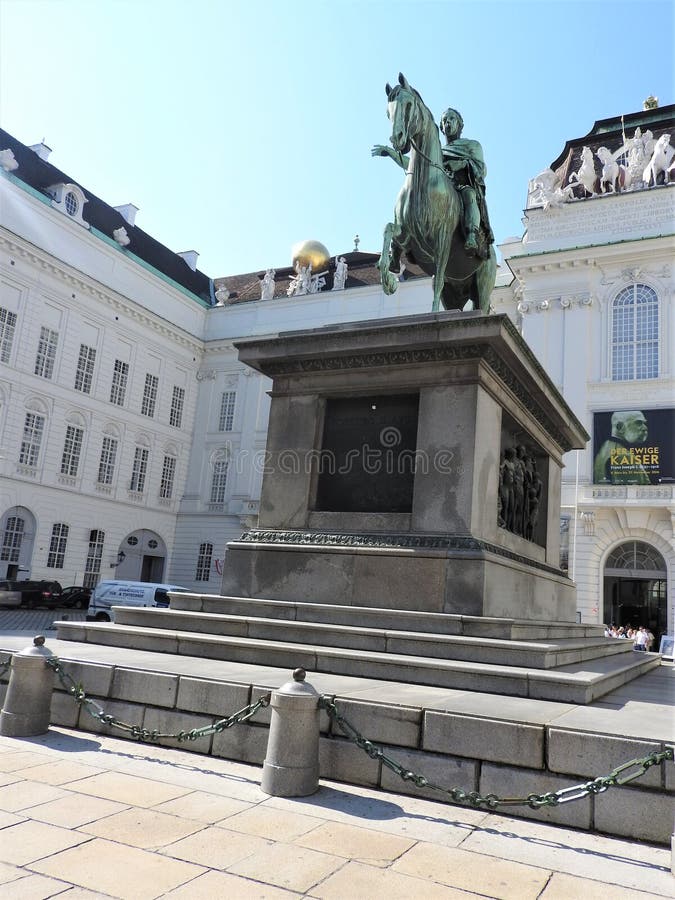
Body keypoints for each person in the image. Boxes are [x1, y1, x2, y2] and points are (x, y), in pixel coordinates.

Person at [439, 108, 494, 256]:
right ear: (441, 128)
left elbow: (482, 170)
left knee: (469, 194)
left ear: (460, 125)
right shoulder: (438, 151)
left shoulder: (472, 145)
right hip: (443, 187)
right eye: (445, 121)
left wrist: (463, 164)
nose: (448, 123)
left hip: (463, 185)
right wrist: (394, 156)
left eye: (452, 119)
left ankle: (472, 234)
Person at [593, 410, 652, 485]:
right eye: (638, 423)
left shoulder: (606, 447)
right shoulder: (624, 457)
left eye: (644, 423)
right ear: (620, 427)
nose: (645, 428)